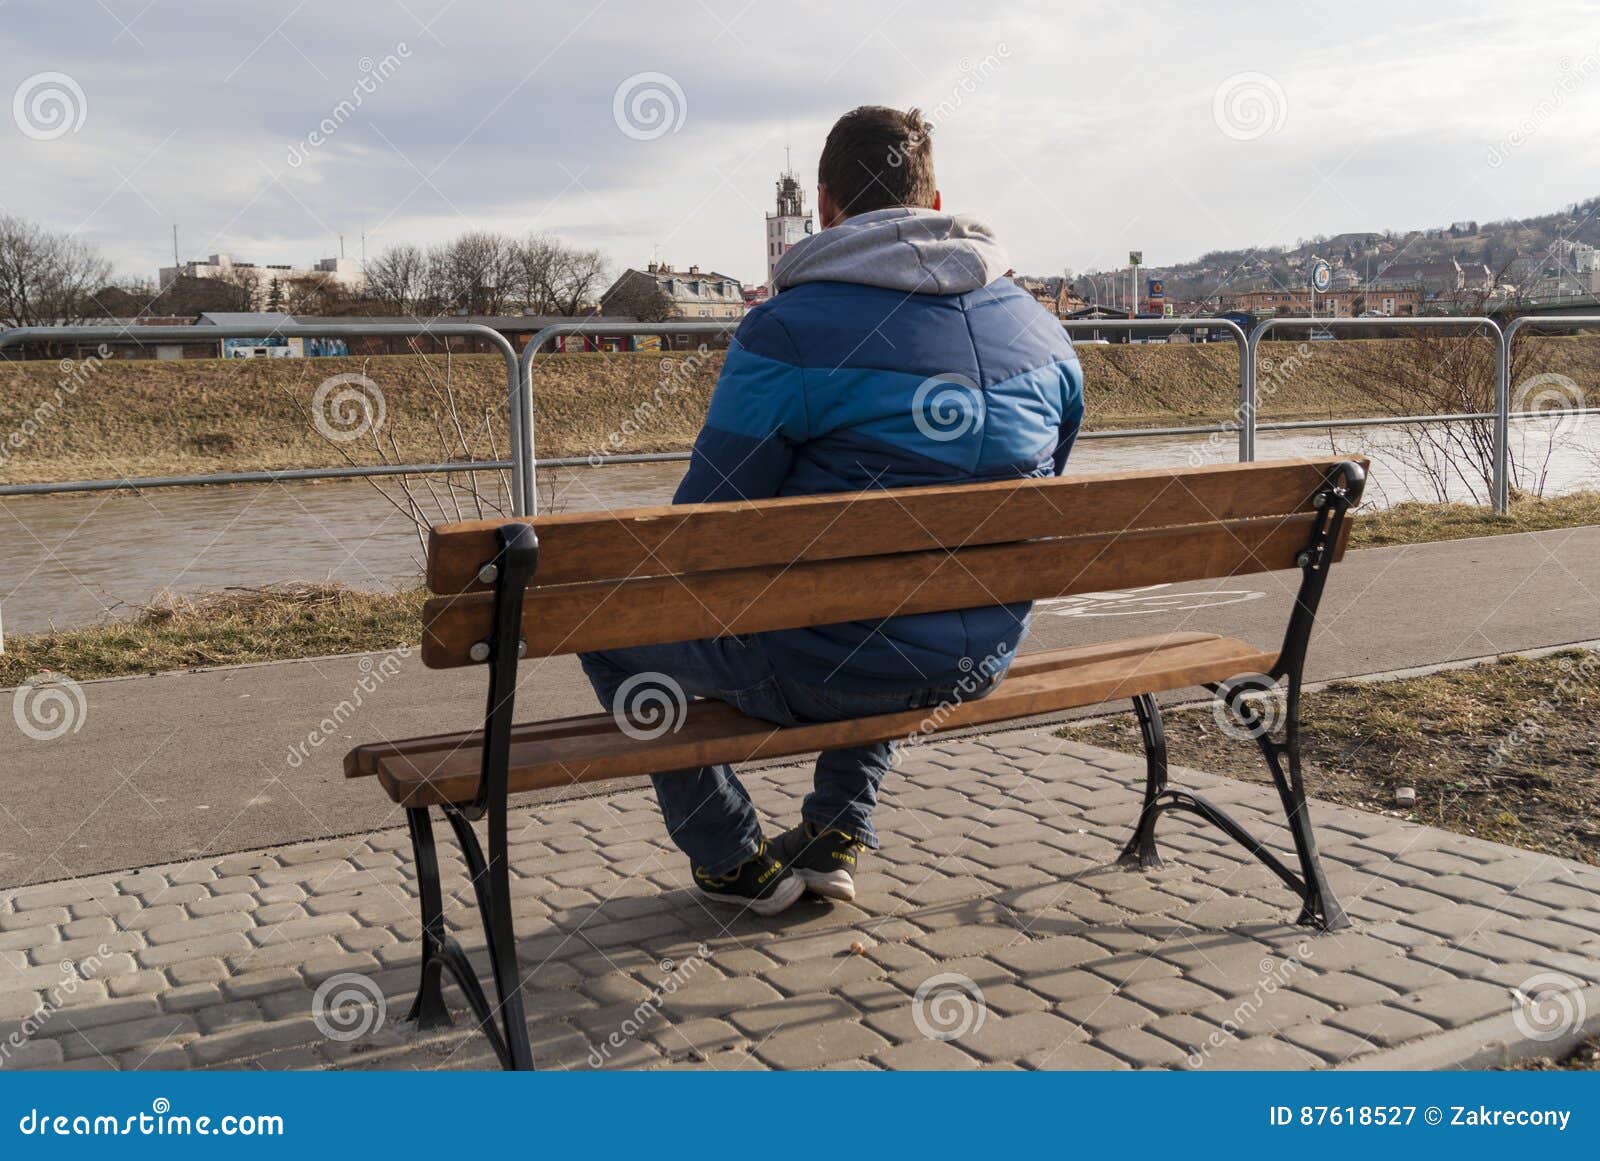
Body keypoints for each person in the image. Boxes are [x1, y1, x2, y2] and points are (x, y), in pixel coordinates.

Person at [580, 105, 1083, 916]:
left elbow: (704, 531)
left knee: (605, 625)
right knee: (905, 589)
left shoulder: (786, 332)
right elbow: (1042, 493)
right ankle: (835, 830)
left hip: (825, 669)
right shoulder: (1045, 333)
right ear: (936, 199)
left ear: (824, 205)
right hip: (980, 654)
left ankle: (728, 853)